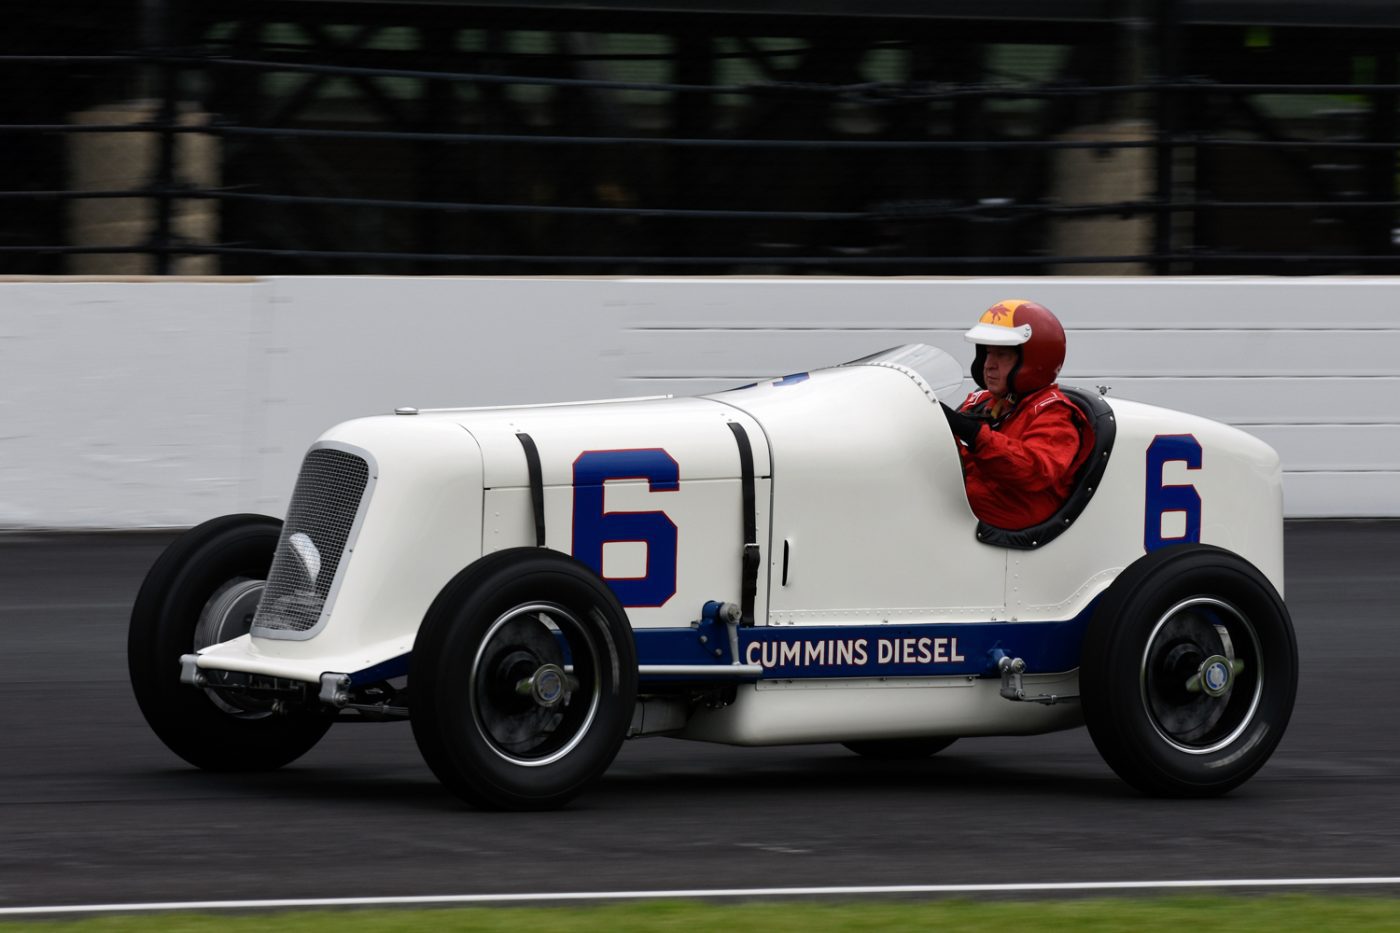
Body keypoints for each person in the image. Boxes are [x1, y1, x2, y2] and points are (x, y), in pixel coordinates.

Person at [941, 299, 1091, 530]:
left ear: (1034, 361)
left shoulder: (1055, 414)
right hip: (963, 514)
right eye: (988, 354)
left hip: (1006, 529)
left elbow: (1034, 471)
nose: (989, 365)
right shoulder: (982, 403)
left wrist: (974, 435)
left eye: (1002, 355)